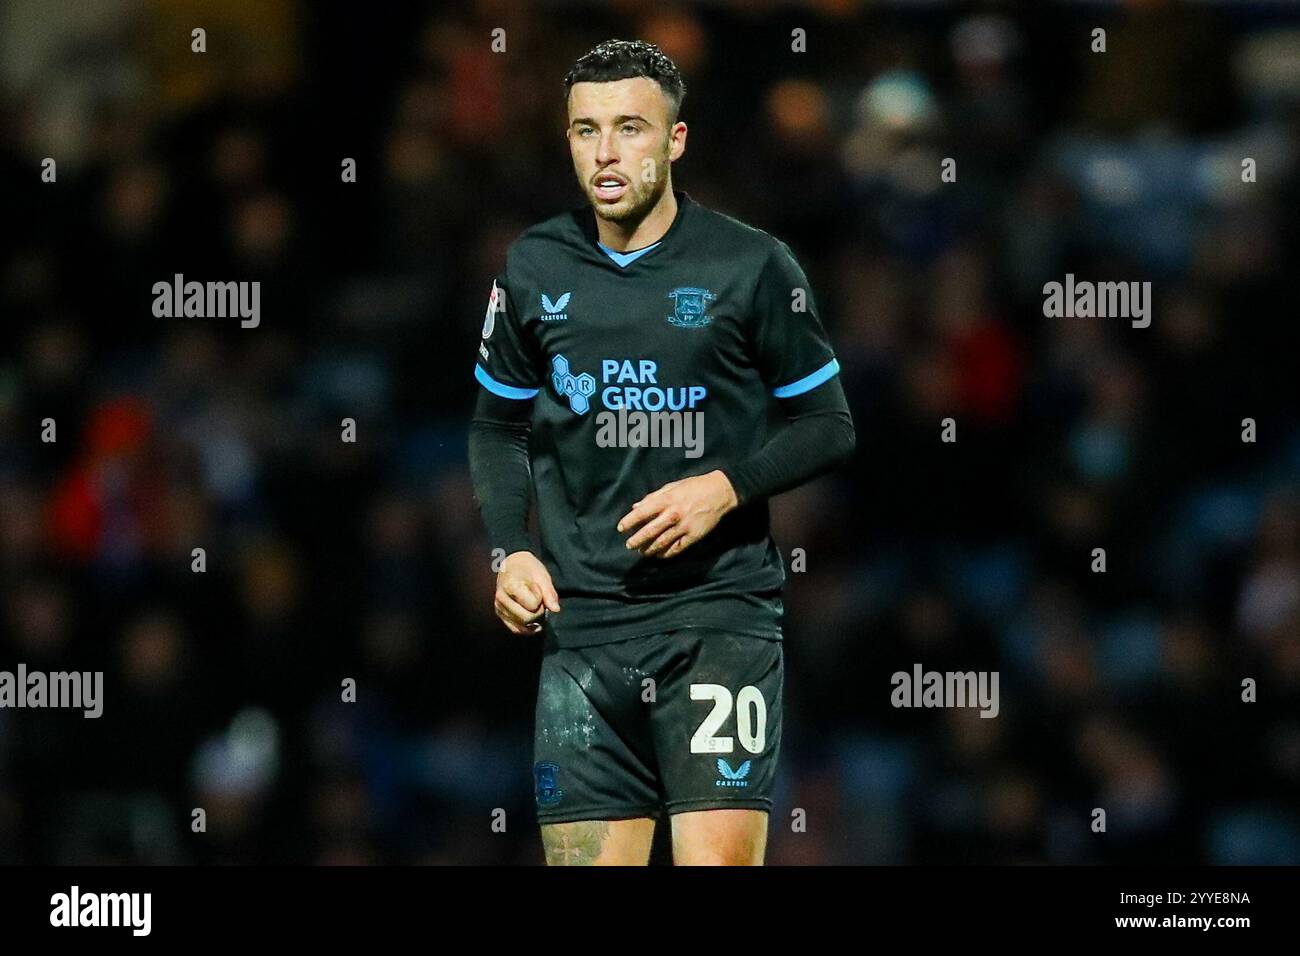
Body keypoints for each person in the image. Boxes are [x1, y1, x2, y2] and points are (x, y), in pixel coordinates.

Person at [468, 39, 855, 865]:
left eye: (630, 128)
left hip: (715, 618)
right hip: (582, 630)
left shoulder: (751, 264)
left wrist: (727, 486)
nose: (606, 152)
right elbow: (497, 426)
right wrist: (510, 550)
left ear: (675, 141)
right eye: (586, 130)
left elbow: (829, 424)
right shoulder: (534, 265)